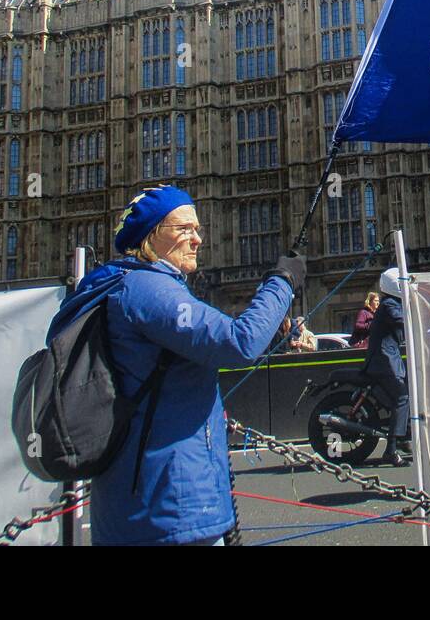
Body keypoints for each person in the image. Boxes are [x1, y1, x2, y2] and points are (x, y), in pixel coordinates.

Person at [46, 185, 303, 546]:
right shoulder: (147, 289)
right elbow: (239, 342)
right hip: (167, 508)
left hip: (143, 499)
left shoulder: (124, 285)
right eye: (184, 229)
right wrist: (282, 283)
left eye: (197, 229)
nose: (197, 239)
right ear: (151, 236)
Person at [363, 267, 410, 466]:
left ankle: (406, 438)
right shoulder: (390, 304)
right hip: (384, 361)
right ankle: (390, 450)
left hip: (388, 359)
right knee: (402, 397)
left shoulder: (392, 303)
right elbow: (403, 320)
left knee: (409, 393)